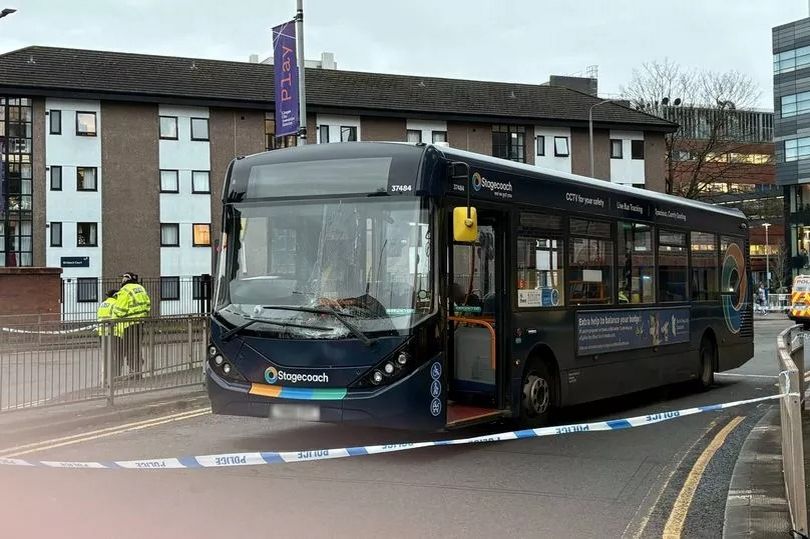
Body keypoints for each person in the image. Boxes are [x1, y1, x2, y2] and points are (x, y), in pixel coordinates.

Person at [112, 273, 151, 378]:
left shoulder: (125, 290)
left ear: (126, 279)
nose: (122, 280)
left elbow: (120, 310)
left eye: (123, 278)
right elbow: (148, 305)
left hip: (128, 324)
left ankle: (133, 373)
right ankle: (137, 372)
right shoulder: (141, 288)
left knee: (130, 349)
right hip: (140, 323)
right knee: (137, 348)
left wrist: (113, 318)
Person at [97, 289, 122, 374]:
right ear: (115, 296)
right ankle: (116, 375)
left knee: (106, 356)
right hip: (114, 333)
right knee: (117, 355)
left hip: (102, 333)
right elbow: (118, 317)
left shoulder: (102, 304)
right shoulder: (116, 304)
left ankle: (106, 376)